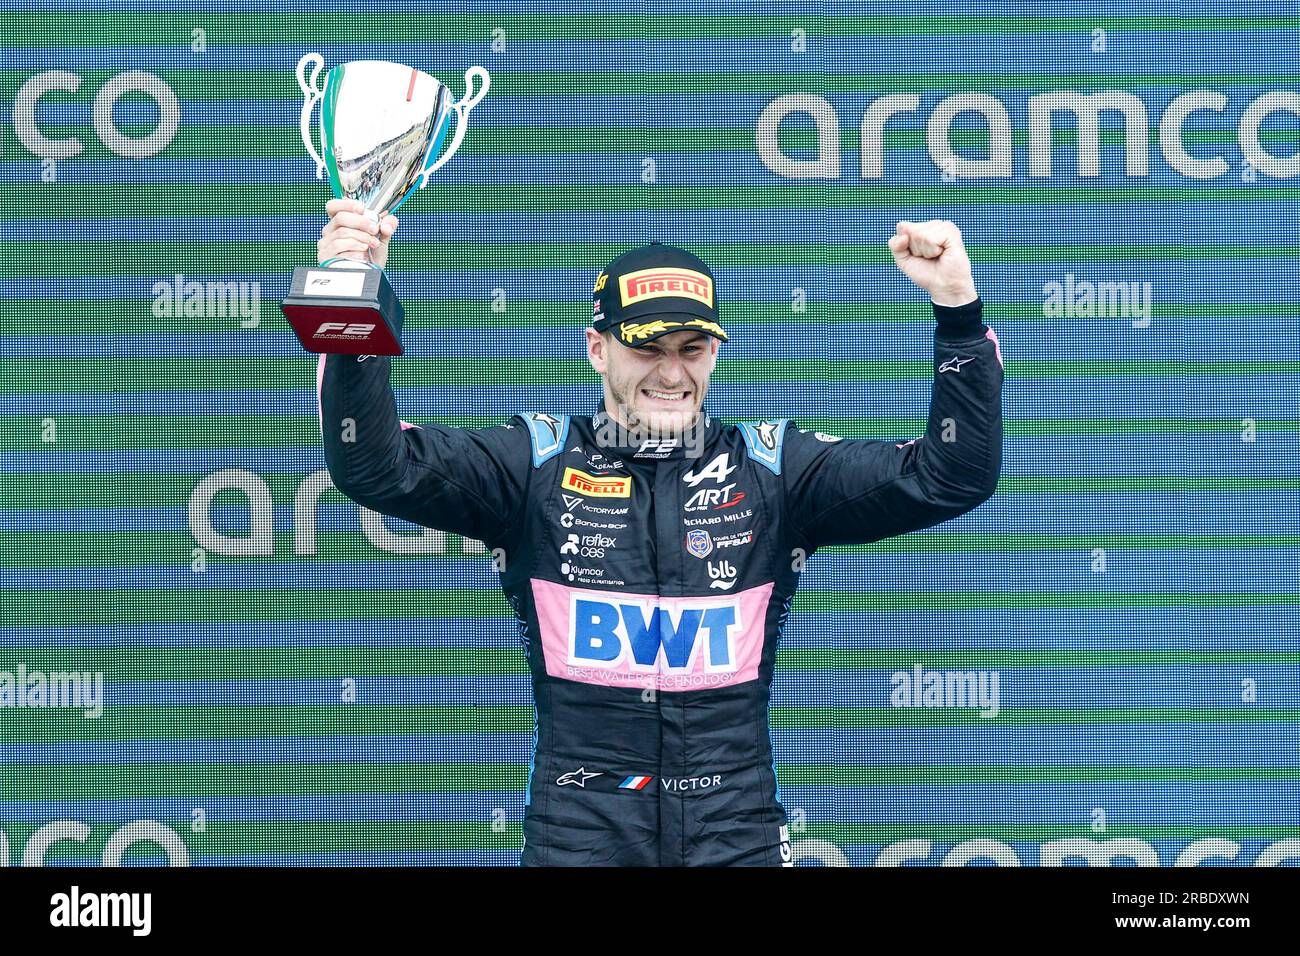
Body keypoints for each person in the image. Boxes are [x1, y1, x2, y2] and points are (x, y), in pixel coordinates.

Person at [314, 199, 1004, 866]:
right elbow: (376, 467)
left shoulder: (772, 468)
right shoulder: (535, 464)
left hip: (736, 834)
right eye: (647, 347)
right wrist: (350, 296)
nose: (673, 373)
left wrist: (959, 314)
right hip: (578, 834)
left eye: (694, 347)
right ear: (597, 348)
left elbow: (950, 477)